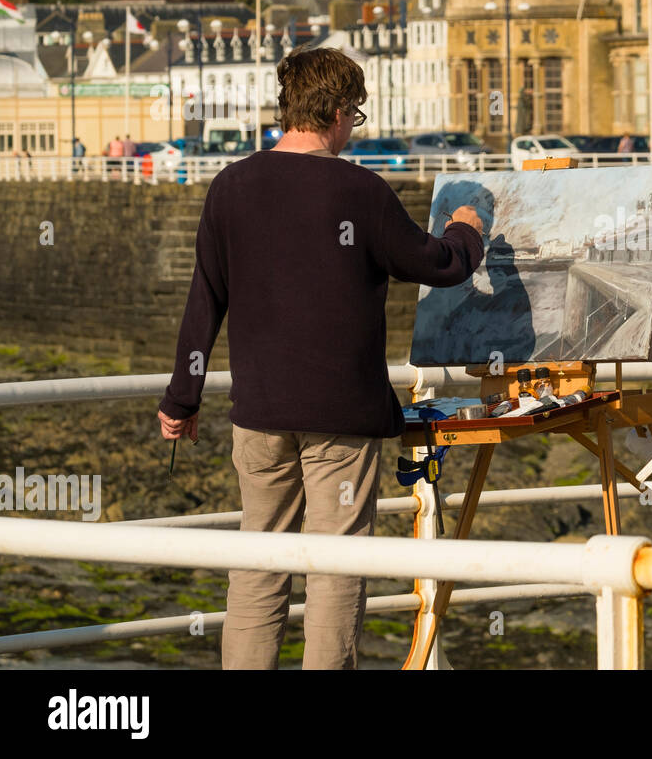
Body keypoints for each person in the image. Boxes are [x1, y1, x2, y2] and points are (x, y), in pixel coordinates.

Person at [156, 47, 486, 670]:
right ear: (338, 111)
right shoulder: (359, 190)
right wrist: (466, 229)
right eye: (353, 116)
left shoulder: (231, 186)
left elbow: (205, 301)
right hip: (342, 417)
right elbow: (439, 264)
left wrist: (182, 401)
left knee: (260, 562)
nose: (351, 129)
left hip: (260, 416)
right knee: (334, 567)